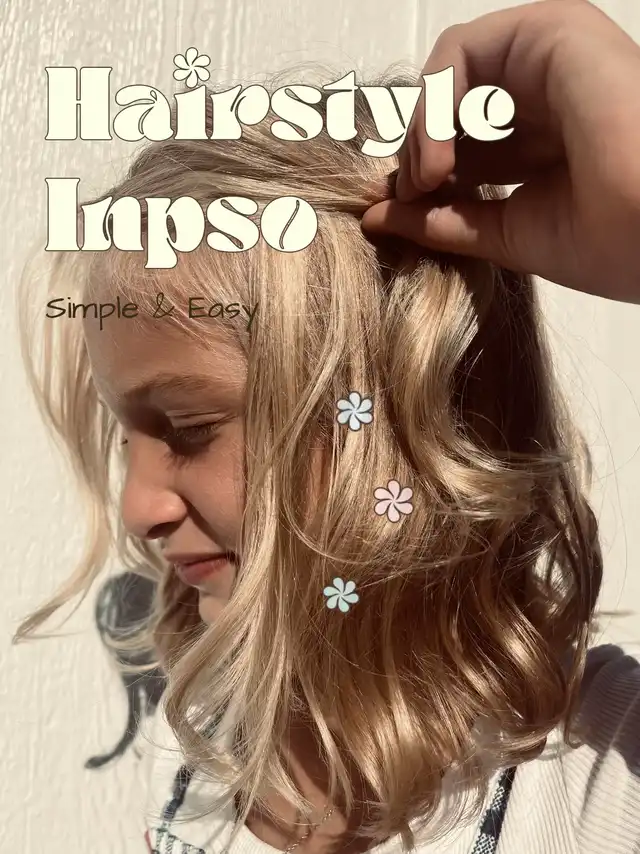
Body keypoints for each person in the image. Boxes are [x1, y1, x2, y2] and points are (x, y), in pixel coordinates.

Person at [11, 1, 640, 853]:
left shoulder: (601, 773)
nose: (139, 507)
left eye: (189, 426)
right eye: (128, 438)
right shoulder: (199, 748)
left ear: (406, 411)